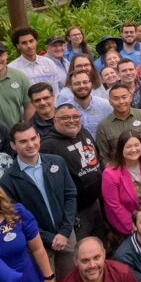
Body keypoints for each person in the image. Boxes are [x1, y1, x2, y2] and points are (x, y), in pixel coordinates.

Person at [0, 123, 78, 281]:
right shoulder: (8, 180)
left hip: (67, 235)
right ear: (13, 145)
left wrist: (64, 231)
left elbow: (70, 195)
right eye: (23, 141)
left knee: (73, 281)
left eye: (33, 138)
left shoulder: (57, 162)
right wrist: (49, 238)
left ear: (39, 138)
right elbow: (15, 217)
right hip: (38, 243)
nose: (30, 144)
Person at [41, 103, 106, 242]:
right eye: (65, 118)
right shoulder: (47, 146)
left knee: (101, 242)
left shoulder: (84, 132)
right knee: (82, 249)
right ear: (55, 120)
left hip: (96, 203)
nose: (72, 120)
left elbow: (97, 158)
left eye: (75, 116)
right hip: (76, 212)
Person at [102, 132, 141, 235]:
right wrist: (134, 225)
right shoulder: (110, 174)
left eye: (137, 145)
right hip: (126, 220)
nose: (134, 150)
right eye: (128, 147)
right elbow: (115, 205)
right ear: (120, 149)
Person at [94, 83, 141, 166]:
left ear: (130, 98)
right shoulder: (103, 126)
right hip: (120, 171)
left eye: (124, 97)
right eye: (116, 99)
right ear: (110, 102)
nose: (121, 101)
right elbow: (103, 156)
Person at [9, 27, 64, 95]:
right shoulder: (12, 69)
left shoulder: (49, 63)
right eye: (24, 43)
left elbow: (56, 91)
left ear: (36, 41)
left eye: (31, 41)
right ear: (18, 46)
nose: (29, 46)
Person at [57, 70, 111, 136]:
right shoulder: (65, 110)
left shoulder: (105, 105)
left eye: (85, 82)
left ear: (91, 84)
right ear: (70, 87)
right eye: (77, 83)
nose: (82, 86)